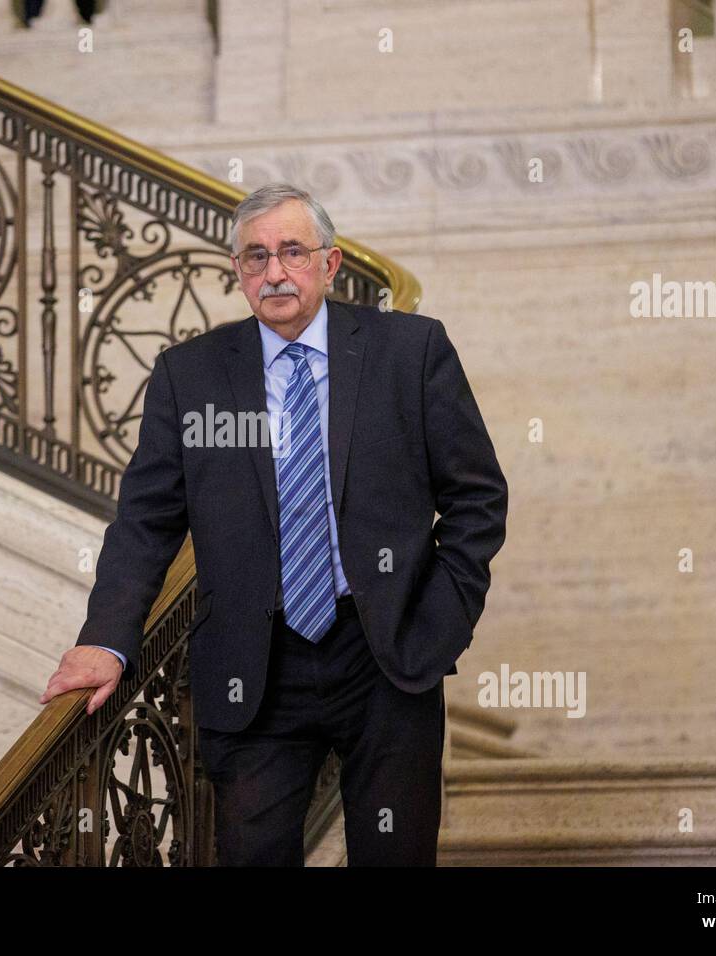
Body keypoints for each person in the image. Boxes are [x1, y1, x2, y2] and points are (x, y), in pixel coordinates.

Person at [40, 182, 508, 865]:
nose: (275, 272)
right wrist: (105, 641)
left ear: (331, 263)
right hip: (253, 670)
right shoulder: (189, 376)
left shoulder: (409, 351)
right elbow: (145, 522)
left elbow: (477, 497)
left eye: (292, 251)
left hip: (384, 655)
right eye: (255, 257)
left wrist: (442, 617)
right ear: (238, 273)